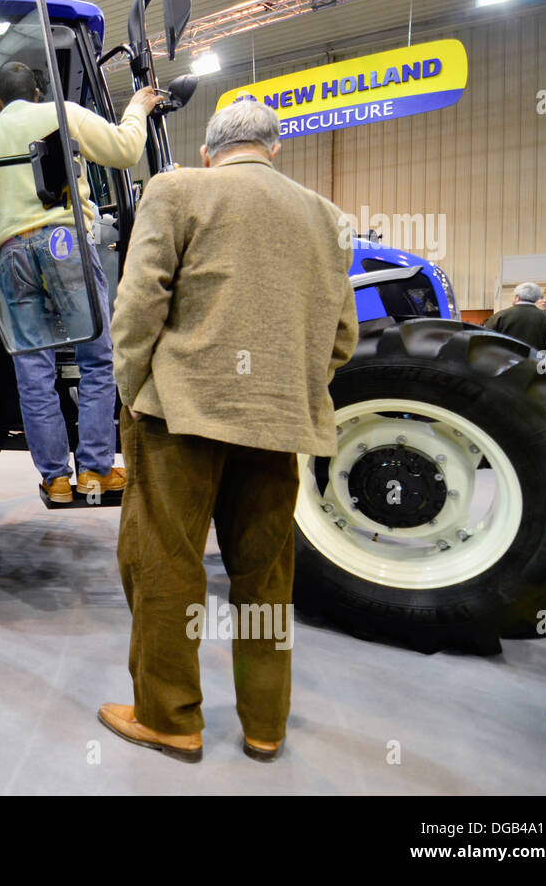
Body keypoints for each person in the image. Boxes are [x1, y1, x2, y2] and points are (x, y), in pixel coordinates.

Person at [105, 99, 358, 763]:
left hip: (181, 413)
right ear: (273, 149)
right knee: (265, 576)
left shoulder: (179, 189)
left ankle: (169, 717)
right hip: (277, 423)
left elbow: (138, 304)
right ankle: (265, 723)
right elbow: (342, 337)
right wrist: (287, 387)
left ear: (213, 148)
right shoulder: (329, 218)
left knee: (165, 563)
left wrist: (131, 389)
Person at [0, 61, 164, 501]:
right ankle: (97, 470)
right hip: (66, 243)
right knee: (97, 360)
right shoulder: (61, 113)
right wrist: (137, 108)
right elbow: (125, 151)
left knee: (33, 369)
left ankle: (56, 478)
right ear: (38, 93)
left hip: (12, 254)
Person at [484, 282, 546, 362]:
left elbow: (485, 340)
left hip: (506, 366)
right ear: (537, 298)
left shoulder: (499, 316)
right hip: (537, 368)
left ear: (517, 297)